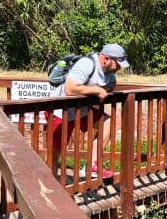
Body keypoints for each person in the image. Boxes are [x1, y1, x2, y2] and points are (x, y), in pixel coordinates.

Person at [49, 43, 130, 179]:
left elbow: (110, 85)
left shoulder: (109, 73)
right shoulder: (86, 64)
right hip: (61, 110)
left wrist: (105, 88)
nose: (119, 68)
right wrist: (97, 90)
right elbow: (70, 89)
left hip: (82, 111)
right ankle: (49, 180)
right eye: (118, 64)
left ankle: (92, 166)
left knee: (107, 122)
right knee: (57, 149)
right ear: (106, 59)